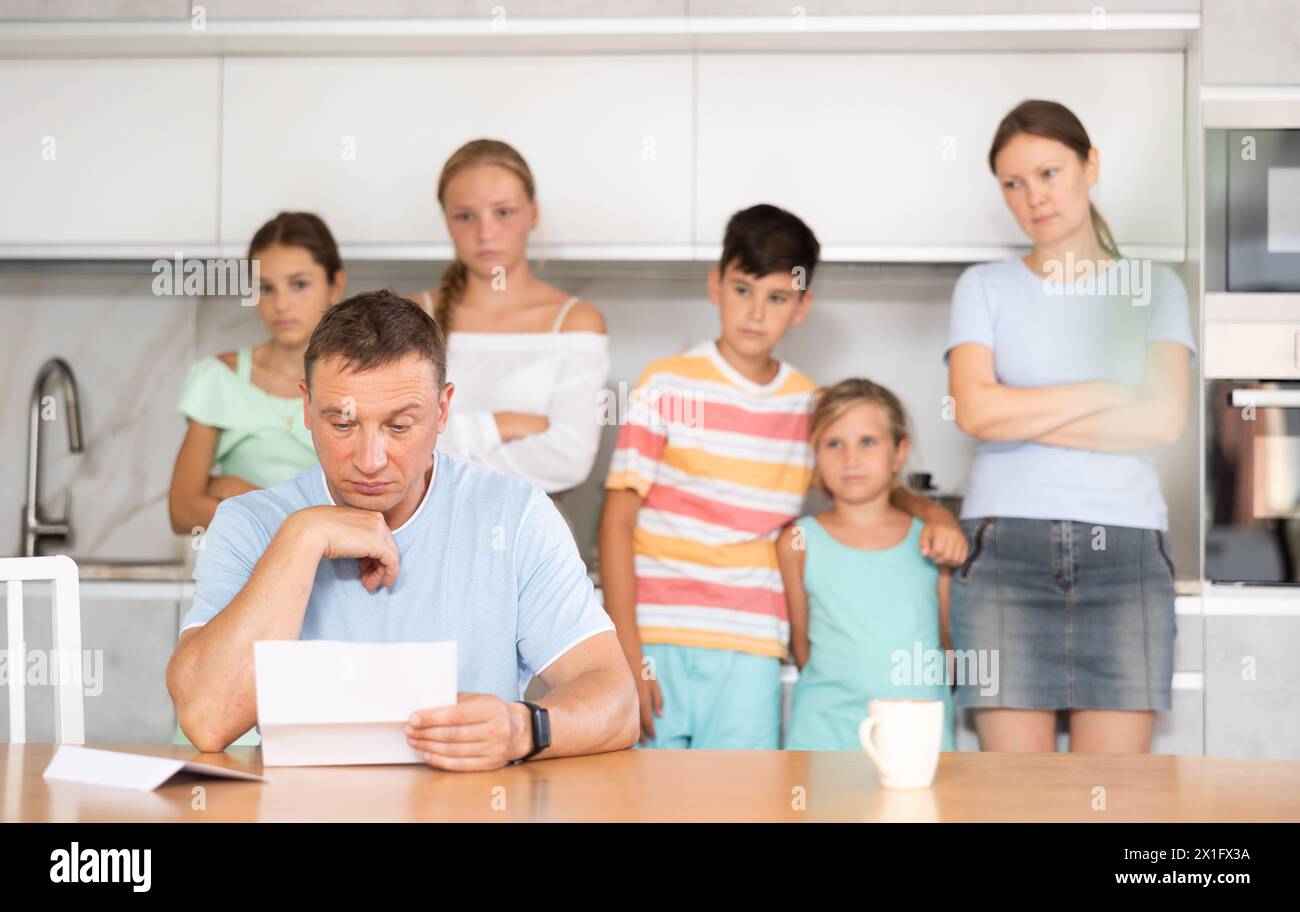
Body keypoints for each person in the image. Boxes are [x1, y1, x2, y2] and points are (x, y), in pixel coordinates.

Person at [166, 290, 638, 768]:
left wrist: (523, 728)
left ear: (443, 410)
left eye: (399, 426)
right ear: (307, 406)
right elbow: (207, 720)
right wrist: (301, 539)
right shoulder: (249, 524)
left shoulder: (515, 517)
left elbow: (617, 703)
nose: (370, 460)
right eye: (343, 424)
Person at [598, 204, 967, 750]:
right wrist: (626, 653)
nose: (756, 313)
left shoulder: (808, 407)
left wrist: (934, 513)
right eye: (742, 290)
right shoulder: (665, 385)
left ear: (801, 306)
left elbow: (869, 486)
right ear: (716, 285)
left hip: (752, 646)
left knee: (742, 793)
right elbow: (616, 524)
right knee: (650, 790)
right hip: (658, 636)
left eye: (777, 297)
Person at [946, 99, 1195, 753]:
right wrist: (1105, 393)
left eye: (1049, 172)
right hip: (1004, 554)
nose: (1033, 196)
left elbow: (1163, 419)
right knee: (1015, 798)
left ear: (1091, 165)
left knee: (1112, 794)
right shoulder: (983, 287)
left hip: (1127, 557)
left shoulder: (1155, 290)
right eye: (1013, 183)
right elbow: (973, 412)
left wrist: (1015, 413)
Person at [412, 139, 609, 493]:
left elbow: (569, 459)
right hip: (417, 525)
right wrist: (501, 424)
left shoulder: (577, 322)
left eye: (503, 212)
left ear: (533, 214)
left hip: (533, 527)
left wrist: (436, 459)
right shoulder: (410, 316)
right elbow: (390, 441)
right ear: (447, 221)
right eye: (465, 216)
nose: (485, 233)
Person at [778, 379, 955, 751]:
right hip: (824, 738)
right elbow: (802, 648)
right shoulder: (799, 541)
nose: (850, 459)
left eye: (868, 442)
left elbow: (947, 643)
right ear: (815, 453)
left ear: (899, 452)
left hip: (918, 739)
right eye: (834, 443)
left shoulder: (931, 540)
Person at [169, 211, 346, 534]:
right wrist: (308, 521)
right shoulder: (219, 378)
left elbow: (364, 511)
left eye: (299, 284)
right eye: (266, 287)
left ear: (335, 285)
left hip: (333, 565)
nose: (282, 304)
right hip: (243, 563)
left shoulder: (359, 384)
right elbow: (182, 512)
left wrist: (246, 495)